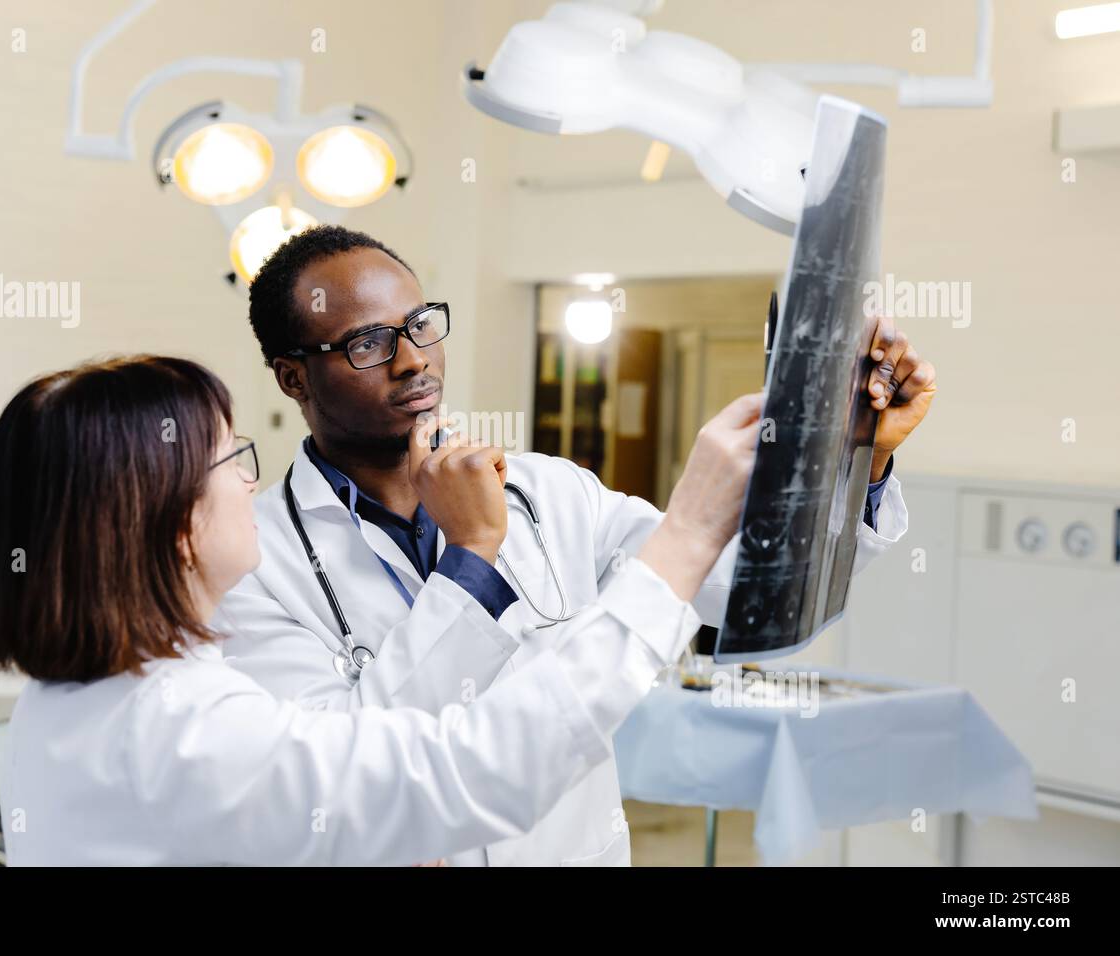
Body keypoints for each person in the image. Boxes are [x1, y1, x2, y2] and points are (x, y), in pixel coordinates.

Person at [215, 225, 937, 866]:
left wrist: (859, 463)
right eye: (367, 342)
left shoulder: (549, 493)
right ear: (292, 376)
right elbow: (338, 772)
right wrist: (471, 556)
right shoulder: (255, 560)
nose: (411, 361)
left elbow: (749, 590)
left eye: (420, 325)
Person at [0, 355, 760, 865]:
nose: (246, 481)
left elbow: (303, 811)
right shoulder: (184, 728)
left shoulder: (83, 699)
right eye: (231, 457)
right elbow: (478, 767)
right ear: (174, 526)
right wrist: (686, 535)